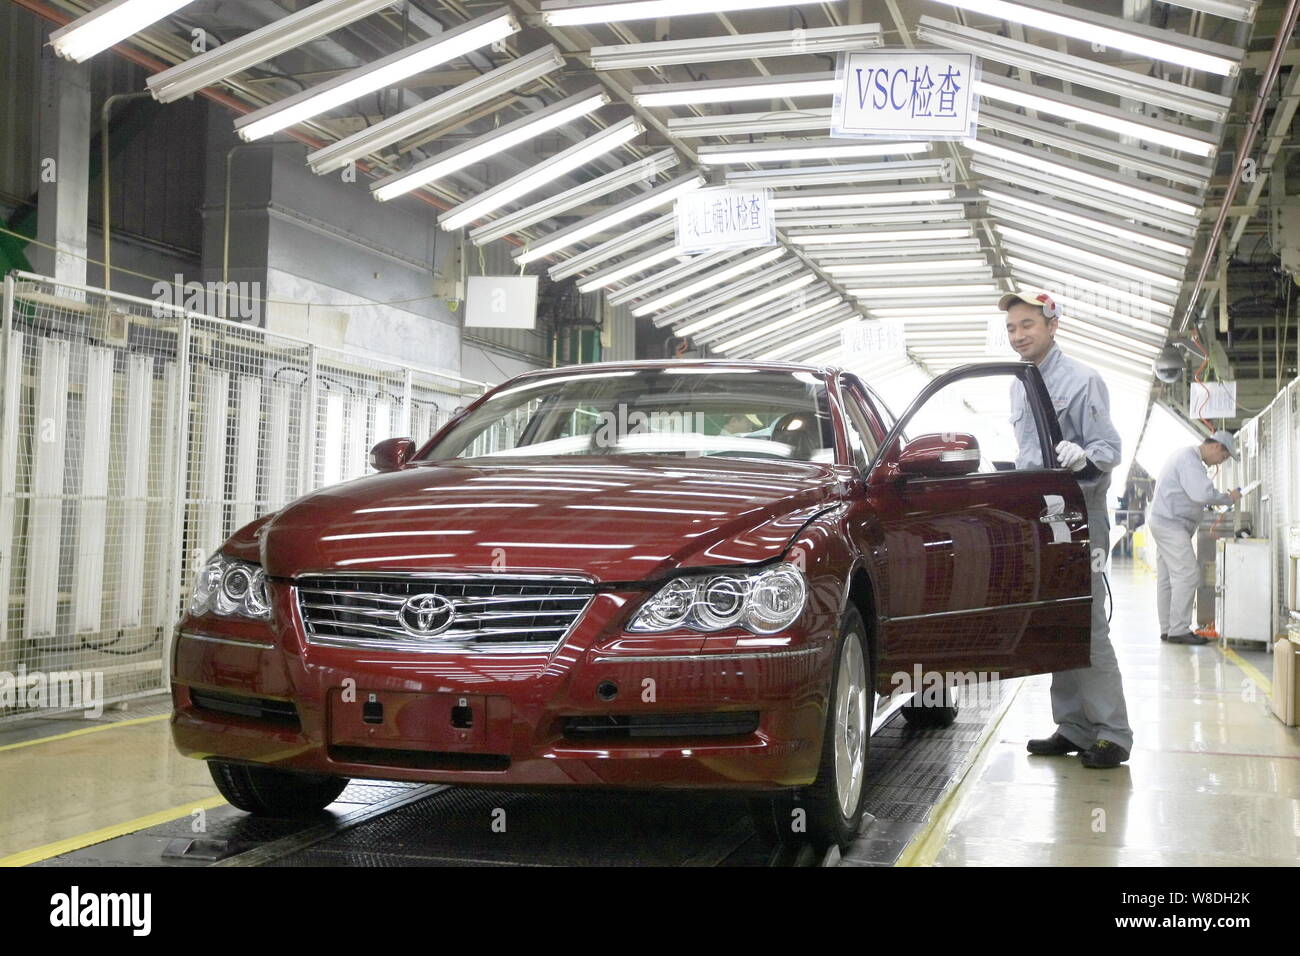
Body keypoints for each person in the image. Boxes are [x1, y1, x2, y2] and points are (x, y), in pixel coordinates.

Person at [1002, 289, 1134, 770]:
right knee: (1057, 622)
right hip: (1043, 518)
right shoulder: (1020, 383)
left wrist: (1086, 457)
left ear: (1052, 326)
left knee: (1088, 623)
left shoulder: (1083, 380)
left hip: (1079, 515)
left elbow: (1109, 447)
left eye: (1027, 325)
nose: (1018, 335)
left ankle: (1113, 733)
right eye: (1012, 328)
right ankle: (1073, 725)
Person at [1147, 433, 1241, 645]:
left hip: (1164, 521)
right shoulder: (1189, 460)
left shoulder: (1187, 457)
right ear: (1216, 447)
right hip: (1170, 524)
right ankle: (1178, 630)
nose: (1221, 462)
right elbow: (1201, 493)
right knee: (1188, 574)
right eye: (1224, 458)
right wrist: (1228, 498)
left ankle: (1168, 628)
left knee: (1167, 578)